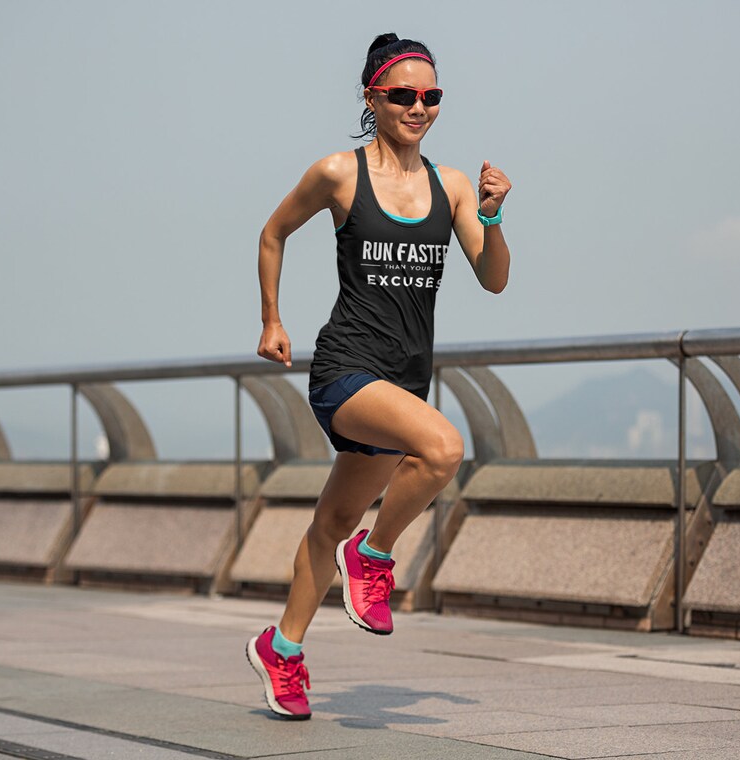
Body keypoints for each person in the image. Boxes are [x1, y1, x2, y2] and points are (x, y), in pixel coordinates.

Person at [246, 32, 512, 720]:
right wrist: (273, 321)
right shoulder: (339, 173)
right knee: (445, 448)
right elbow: (273, 233)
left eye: (431, 96)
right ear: (373, 97)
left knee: (330, 520)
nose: (417, 107)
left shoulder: (449, 186)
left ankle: (282, 648)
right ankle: (376, 556)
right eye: (402, 95)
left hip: (403, 381)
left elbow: (493, 279)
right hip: (344, 369)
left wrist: (490, 214)